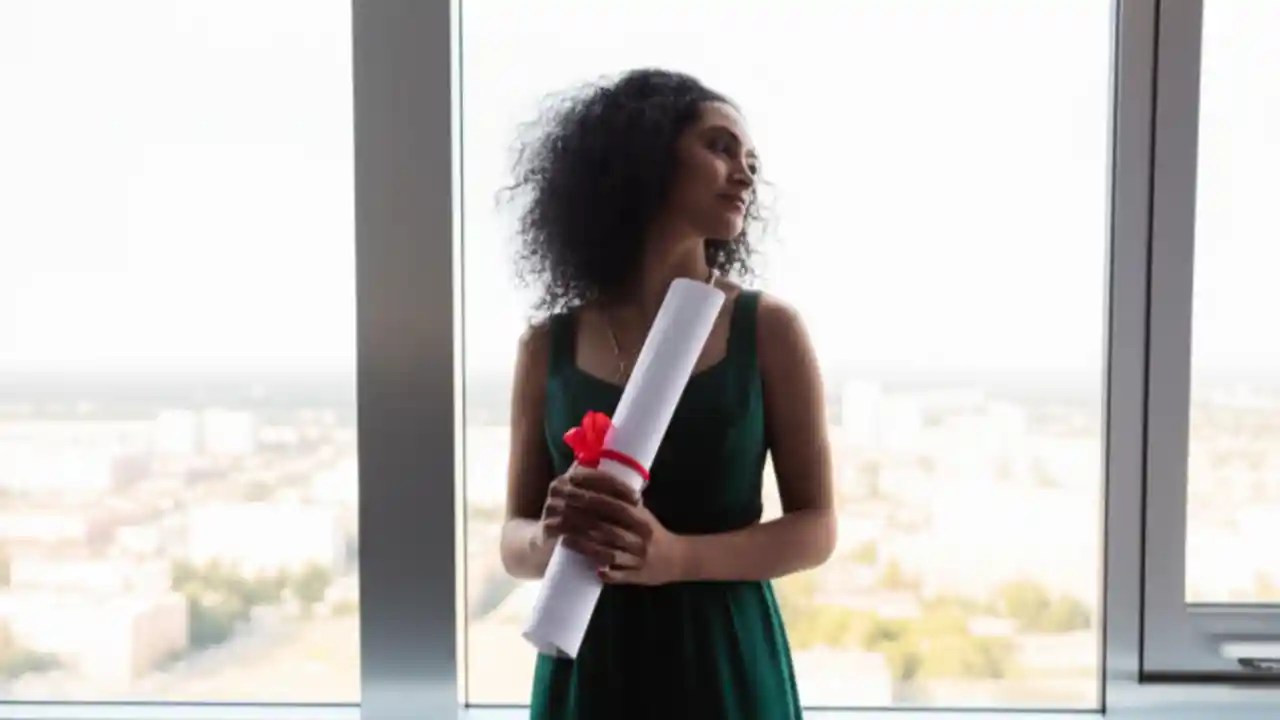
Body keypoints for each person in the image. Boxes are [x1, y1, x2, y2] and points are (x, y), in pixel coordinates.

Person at [499, 68, 836, 719]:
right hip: (589, 661)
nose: (744, 173)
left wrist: (676, 557)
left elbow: (816, 528)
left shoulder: (768, 331)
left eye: (751, 160)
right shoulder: (547, 346)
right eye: (720, 147)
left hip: (723, 660)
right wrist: (550, 536)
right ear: (643, 157)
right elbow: (513, 542)